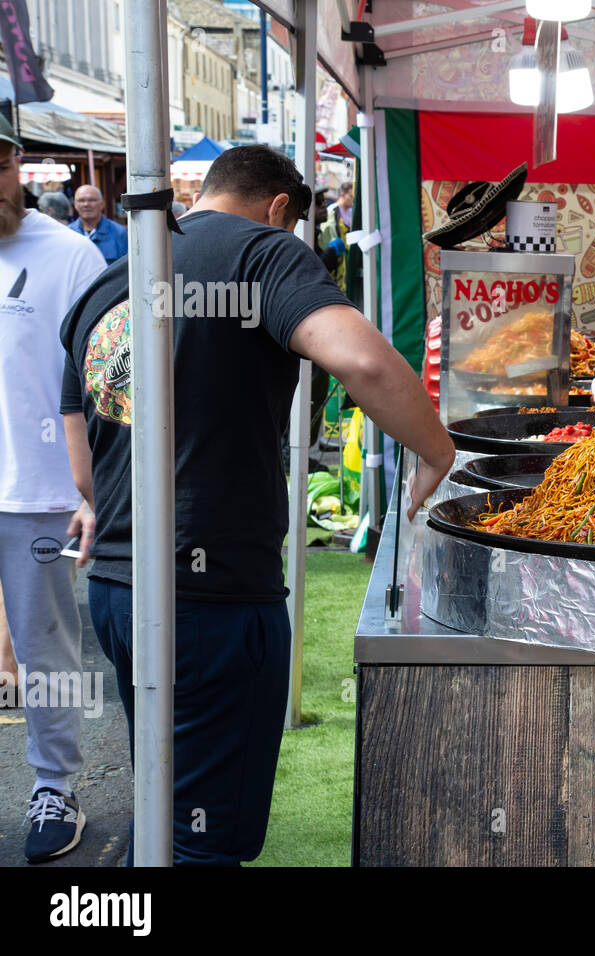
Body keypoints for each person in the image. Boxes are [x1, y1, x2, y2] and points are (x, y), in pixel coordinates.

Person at [60, 144, 456, 866]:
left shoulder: (110, 282)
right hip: (214, 599)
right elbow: (362, 358)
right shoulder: (265, 253)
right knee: (202, 837)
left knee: (164, 803)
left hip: (117, 590)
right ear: (279, 209)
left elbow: (81, 465)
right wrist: (437, 451)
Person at [0, 115, 107, 863]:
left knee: (48, 654)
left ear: (14, 163)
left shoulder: (69, 255)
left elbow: (110, 380)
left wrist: (95, 491)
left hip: (38, 492)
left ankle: (57, 786)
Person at [68, 184, 128, 264]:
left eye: (92, 200)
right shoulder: (68, 233)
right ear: (75, 205)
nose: (86, 204)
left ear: (102, 204)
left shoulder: (119, 233)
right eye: (81, 200)